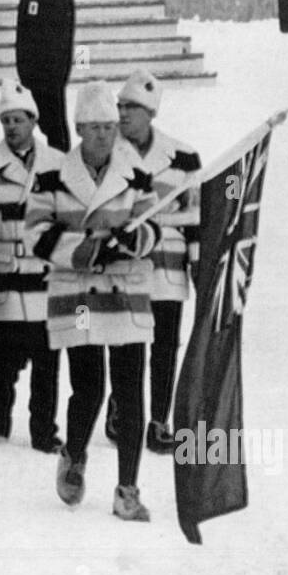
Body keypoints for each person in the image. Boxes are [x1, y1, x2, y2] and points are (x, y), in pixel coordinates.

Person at [25, 82, 160, 521]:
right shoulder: (51, 177)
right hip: (79, 294)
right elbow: (34, 233)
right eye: (94, 127)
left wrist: (131, 240)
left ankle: (127, 489)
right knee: (89, 387)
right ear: (80, 128)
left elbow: (156, 226)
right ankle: (76, 452)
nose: (103, 135)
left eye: (109, 126)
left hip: (125, 291)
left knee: (130, 390)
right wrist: (80, 249)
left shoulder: (136, 175)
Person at [0, 81, 65, 452]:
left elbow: (66, 218)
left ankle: (44, 431)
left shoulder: (58, 164)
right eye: (6, 120)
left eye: (19, 119)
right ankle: (0, 414)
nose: (12, 127)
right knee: (5, 357)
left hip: (43, 273)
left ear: (33, 121)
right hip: (3, 271)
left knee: (47, 359)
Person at [108, 69, 200, 452]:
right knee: (126, 341)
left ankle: (160, 420)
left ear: (151, 112)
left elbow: (195, 217)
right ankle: (120, 408)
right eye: (120, 106)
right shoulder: (106, 153)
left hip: (168, 268)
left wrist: (196, 265)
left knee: (164, 345)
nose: (123, 114)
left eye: (132, 107)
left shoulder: (183, 156)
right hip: (124, 266)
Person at [15, 0, 75, 152]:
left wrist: (47, 75)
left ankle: (61, 173)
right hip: (36, 75)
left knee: (54, 129)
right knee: (49, 127)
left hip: (46, 76)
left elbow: (55, 40)